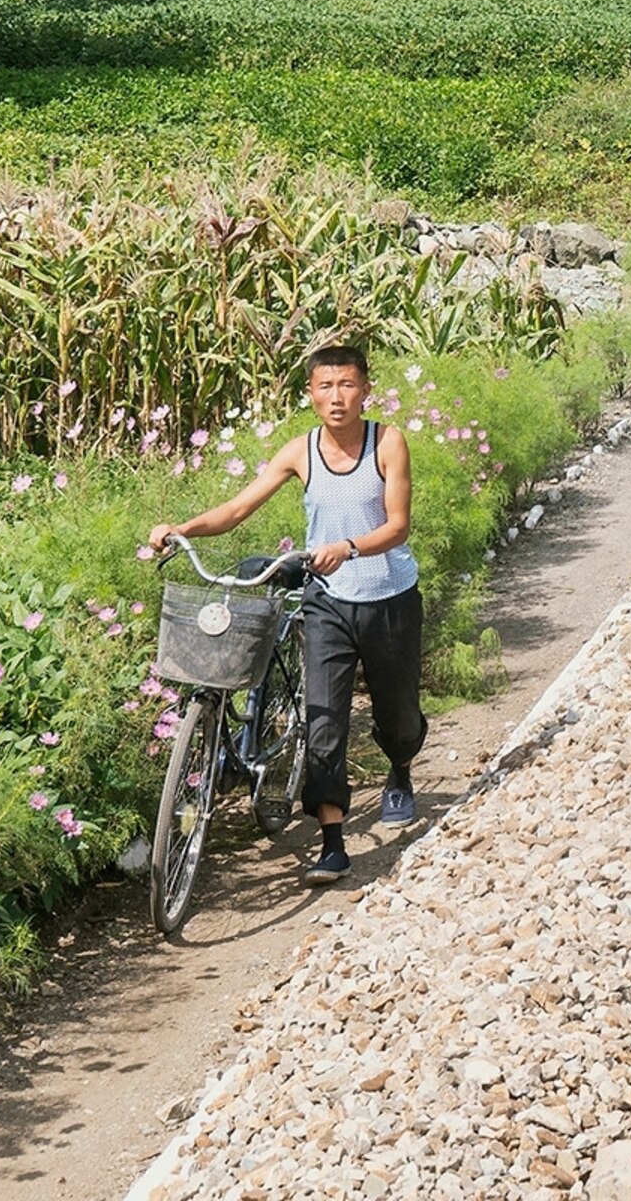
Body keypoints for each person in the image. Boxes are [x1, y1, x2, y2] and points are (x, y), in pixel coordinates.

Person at [145, 339, 424, 886]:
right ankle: (333, 844)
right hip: (328, 601)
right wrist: (181, 528)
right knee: (323, 722)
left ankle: (399, 767)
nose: (337, 397)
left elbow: (398, 525)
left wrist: (348, 547)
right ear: (311, 395)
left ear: (366, 390)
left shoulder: (387, 443)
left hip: (388, 596)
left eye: (347, 385)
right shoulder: (301, 452)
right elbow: (238, 507)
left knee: (398, 717)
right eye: (326, 387)